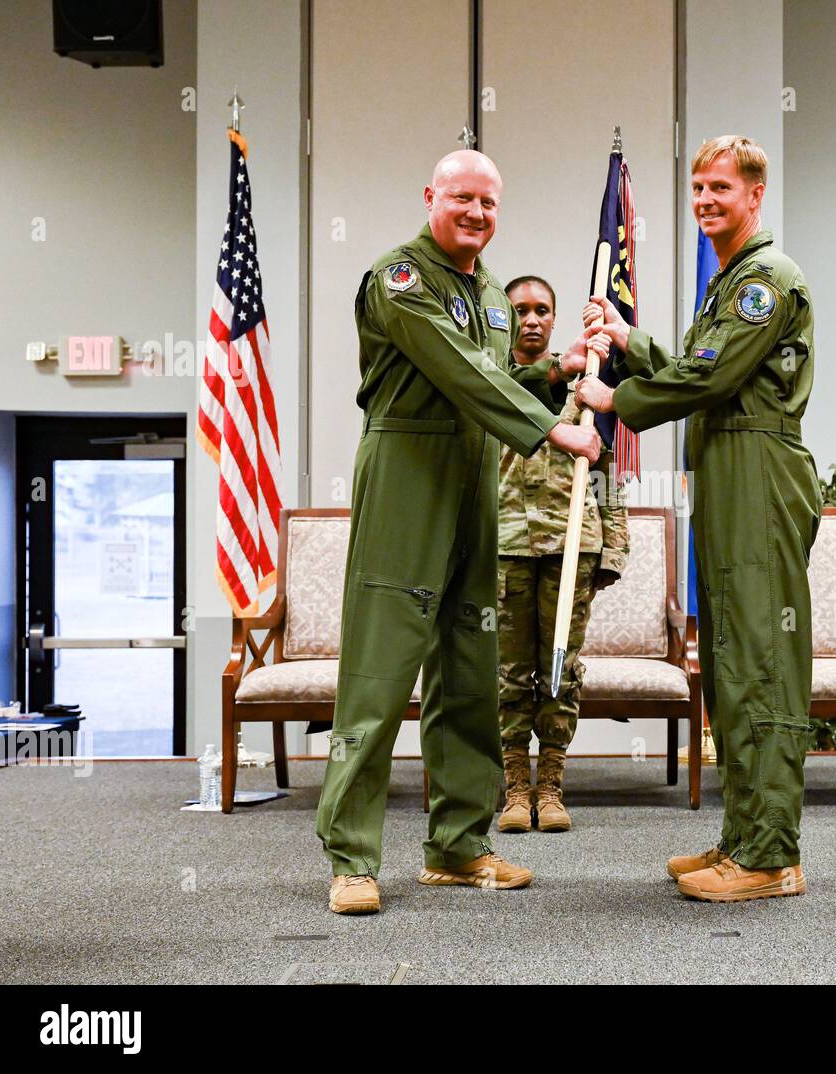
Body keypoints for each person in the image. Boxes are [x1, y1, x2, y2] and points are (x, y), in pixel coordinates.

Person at [316, 150, 602, 914]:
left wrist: (553, 373)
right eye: (463, 198)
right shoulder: (399, 279)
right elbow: (454, 368)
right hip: (408, 468)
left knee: (469, 668)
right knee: (379, 676)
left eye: (489, 202)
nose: (477, 213)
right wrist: (552, 427)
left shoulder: (495, 295)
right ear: (431, 198)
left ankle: (459, 844)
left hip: (478, 475)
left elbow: (494, 372)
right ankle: (352, 858)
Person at [576, 135, 822, 902]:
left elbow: (711, 374)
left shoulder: (765, 280)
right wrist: (626, 340)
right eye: (698, 188)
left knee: (762, 666)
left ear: (755, 195)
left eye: (722, 187)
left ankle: (773, 857)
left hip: (759, 475)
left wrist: (620, 399)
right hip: (726, 474)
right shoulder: (730, 280)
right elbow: (697, 360)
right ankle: (743, 838)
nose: (707, 199)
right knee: (728, 664)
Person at [496, 275, 629, 833]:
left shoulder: (586, 383)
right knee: (509, 673)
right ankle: (515, 789)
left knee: (561, 668)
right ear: (506, 318)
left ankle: (550, 784)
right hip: (505, 546)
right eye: (520, 310)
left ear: (555, 319)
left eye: (542, 310)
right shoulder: (491, 383)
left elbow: (606, 473)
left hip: (570, 545)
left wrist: (613, 549)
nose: (531, 319)